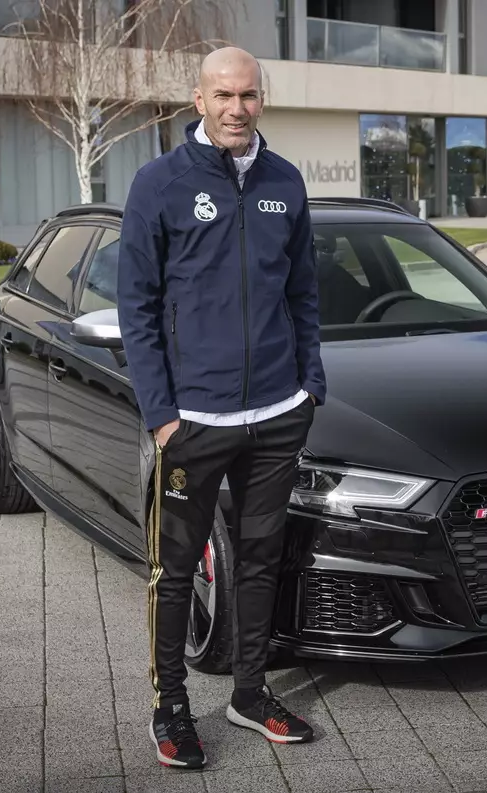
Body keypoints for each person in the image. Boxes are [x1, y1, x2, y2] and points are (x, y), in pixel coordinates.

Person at [116, 46, 325, 770]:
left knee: (262, 559)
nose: (239, 108)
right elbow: (135, 308)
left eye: (250, 95)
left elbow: (303, 294)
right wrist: (162, 416)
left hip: (275, 416)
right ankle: (169, 705)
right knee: (174, 571)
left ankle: (248, 691)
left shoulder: (285, 182)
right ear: (197, 100)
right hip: (193, 423)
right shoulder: (158, 185)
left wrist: (310, 386)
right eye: (224, 94)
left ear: (262, 98)